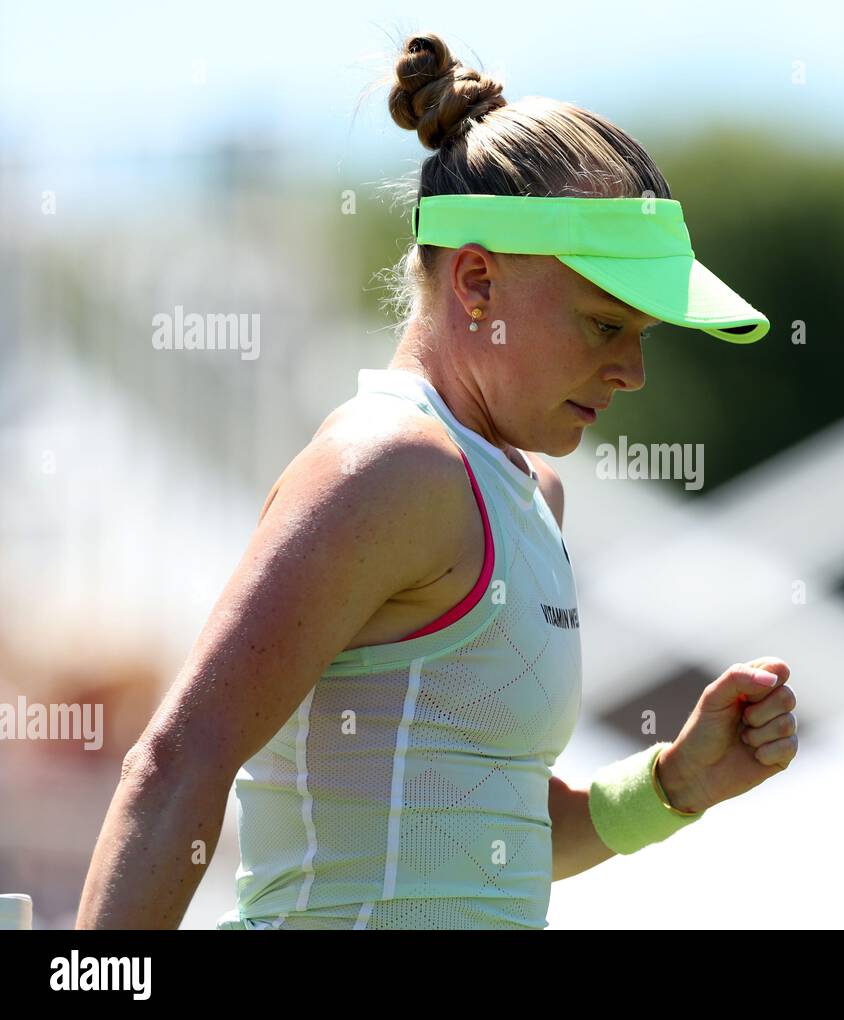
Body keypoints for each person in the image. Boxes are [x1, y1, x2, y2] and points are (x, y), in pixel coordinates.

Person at [75, 31, 798, 931]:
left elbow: (477, 840)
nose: (631, 372)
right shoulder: (391, 465)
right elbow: (179, 759)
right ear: (479, 283)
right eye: (604, 324)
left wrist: (670, 784)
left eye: (642, 335)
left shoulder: (530, 494)